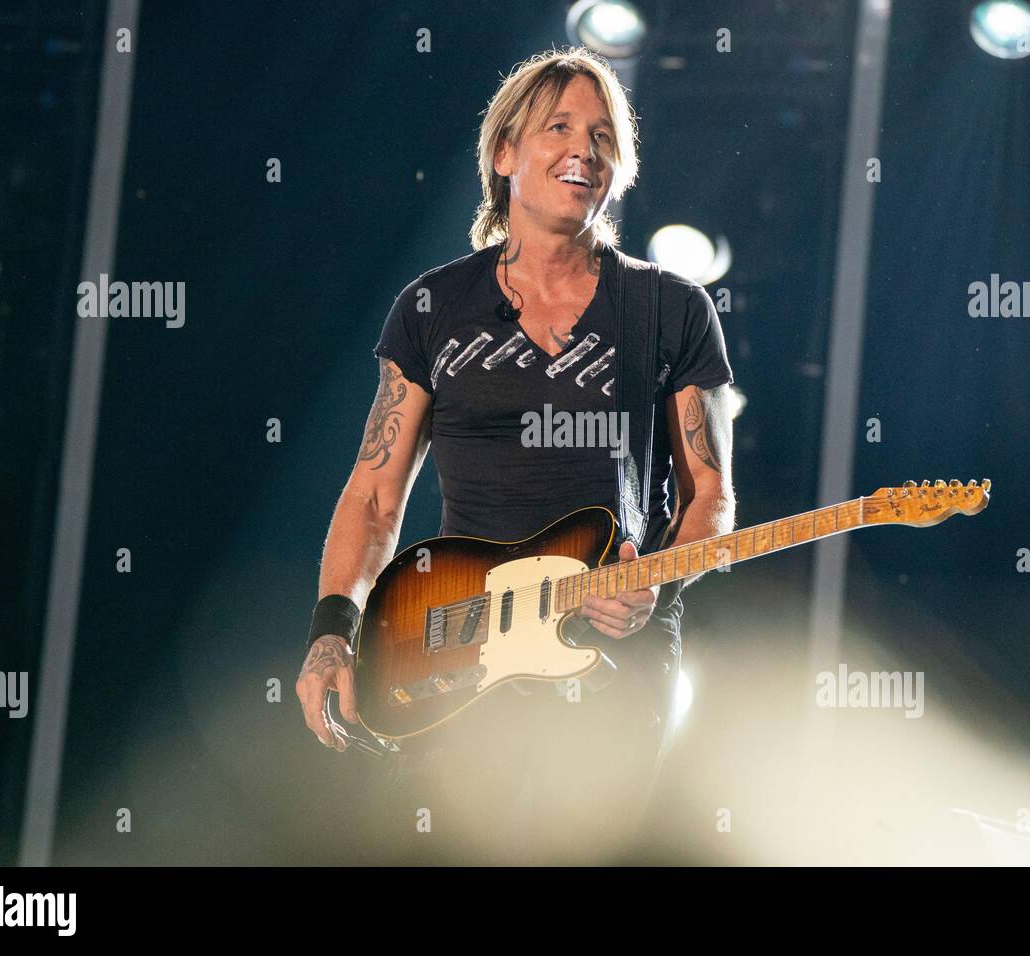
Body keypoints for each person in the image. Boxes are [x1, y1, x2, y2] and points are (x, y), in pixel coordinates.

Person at [295, 47, 736, 864]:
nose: (584, 150)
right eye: (559, 128)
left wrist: (654, 583)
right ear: (504, 153)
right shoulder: (432, 306)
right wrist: (331, 633)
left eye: (602, 136)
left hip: (612, 658)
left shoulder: (669, 308)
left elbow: (709, 494)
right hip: (453, 649)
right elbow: (375, 495)